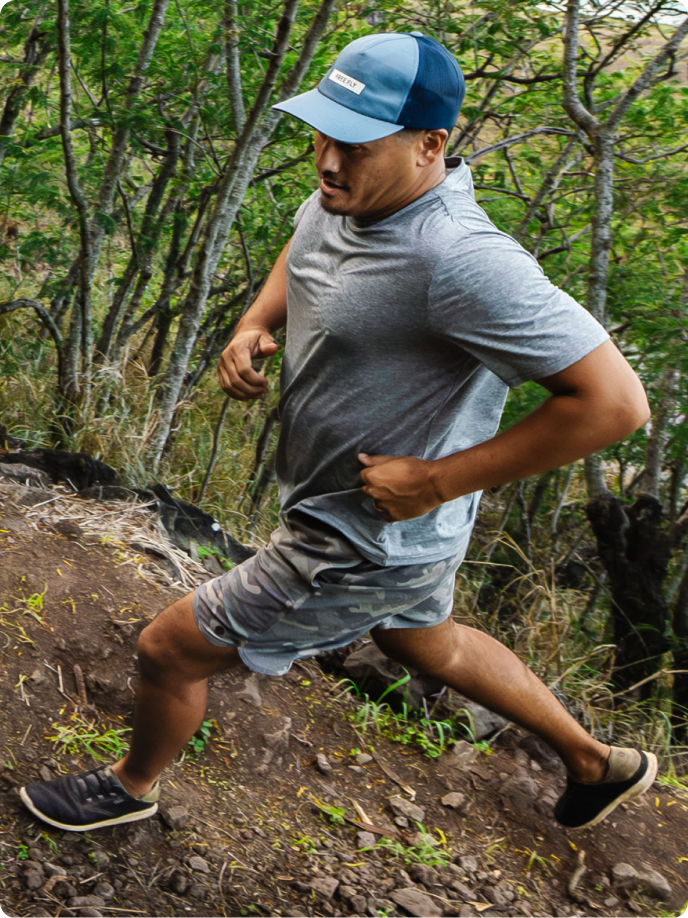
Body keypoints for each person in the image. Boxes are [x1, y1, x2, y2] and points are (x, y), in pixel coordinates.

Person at [21, 32, 657, 834]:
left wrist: (437, 480)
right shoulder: (342, 200)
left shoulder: (461, 259)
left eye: (354, 145)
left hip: (358, 539)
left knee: (169, 650)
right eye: (321, 133)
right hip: (397, 533)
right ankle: (597, 763)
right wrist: (254, 325)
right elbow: (306, 247)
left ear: (431, 146)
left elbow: (615, 404)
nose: (327, 160)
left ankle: (129, 786)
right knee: (431, 644)